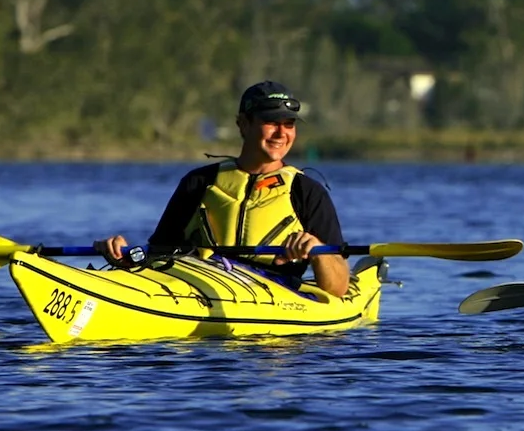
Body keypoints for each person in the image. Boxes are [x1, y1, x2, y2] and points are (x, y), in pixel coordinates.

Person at [94, 81, 350, 298]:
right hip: (199, 287)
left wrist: (317, 251)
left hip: (275, 295)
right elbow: (158, 256)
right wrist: (125, 257)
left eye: (289, 124)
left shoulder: (307, 192)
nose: (281, 133)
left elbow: (338, 288)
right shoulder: (199, 182)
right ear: (243, 124)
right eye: (271, 122)